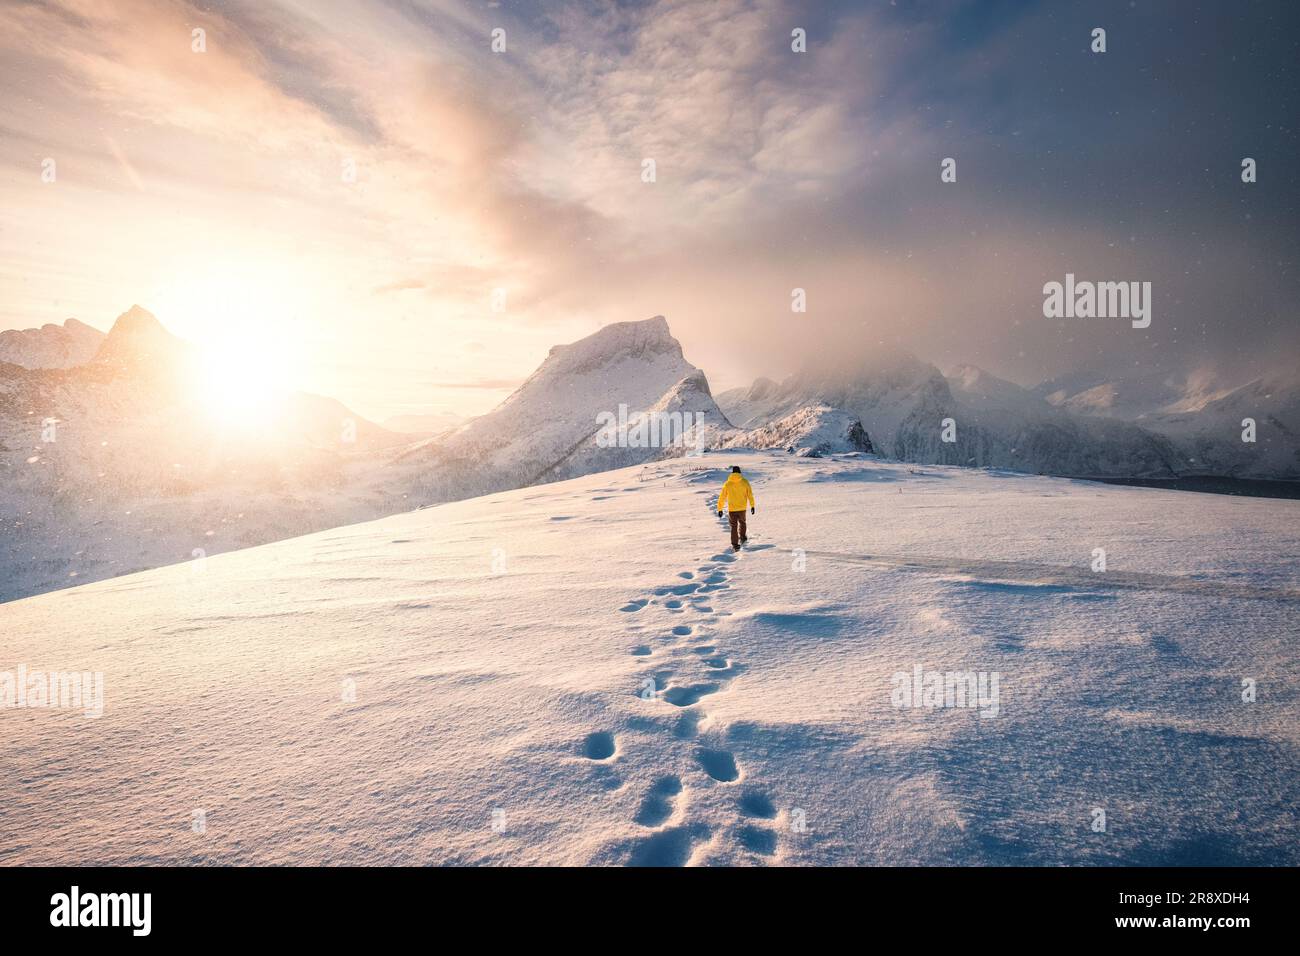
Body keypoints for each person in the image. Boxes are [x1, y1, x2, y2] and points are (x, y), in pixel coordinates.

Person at [716, 465, 756, 551]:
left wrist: (720, 508)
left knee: (733, 527)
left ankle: (735, 544)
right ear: (739, 472)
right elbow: (750, 495)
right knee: (743, 523)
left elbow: (722, 497)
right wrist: (752, 506)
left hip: (732, 510)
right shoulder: (745, 482)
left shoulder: (728, 483)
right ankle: (742, 537)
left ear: (732, 473)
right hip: (742, 508)